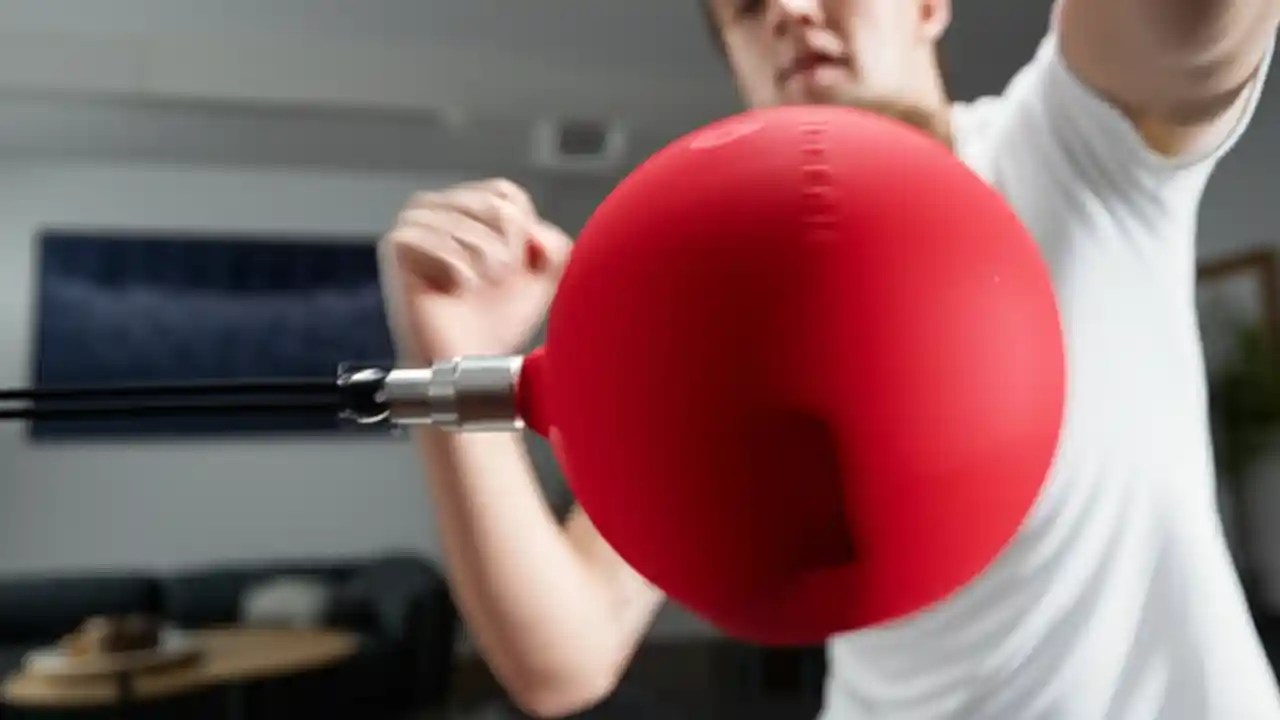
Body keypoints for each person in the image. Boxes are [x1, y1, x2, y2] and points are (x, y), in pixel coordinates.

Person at [377, 0, 1280, 717]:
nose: (787, 10)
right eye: (745, 7)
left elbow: (1190, 28)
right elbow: (565, 656)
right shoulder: (723, 297)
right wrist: (447, 348)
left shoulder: (1074, 147)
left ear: (928, 5)